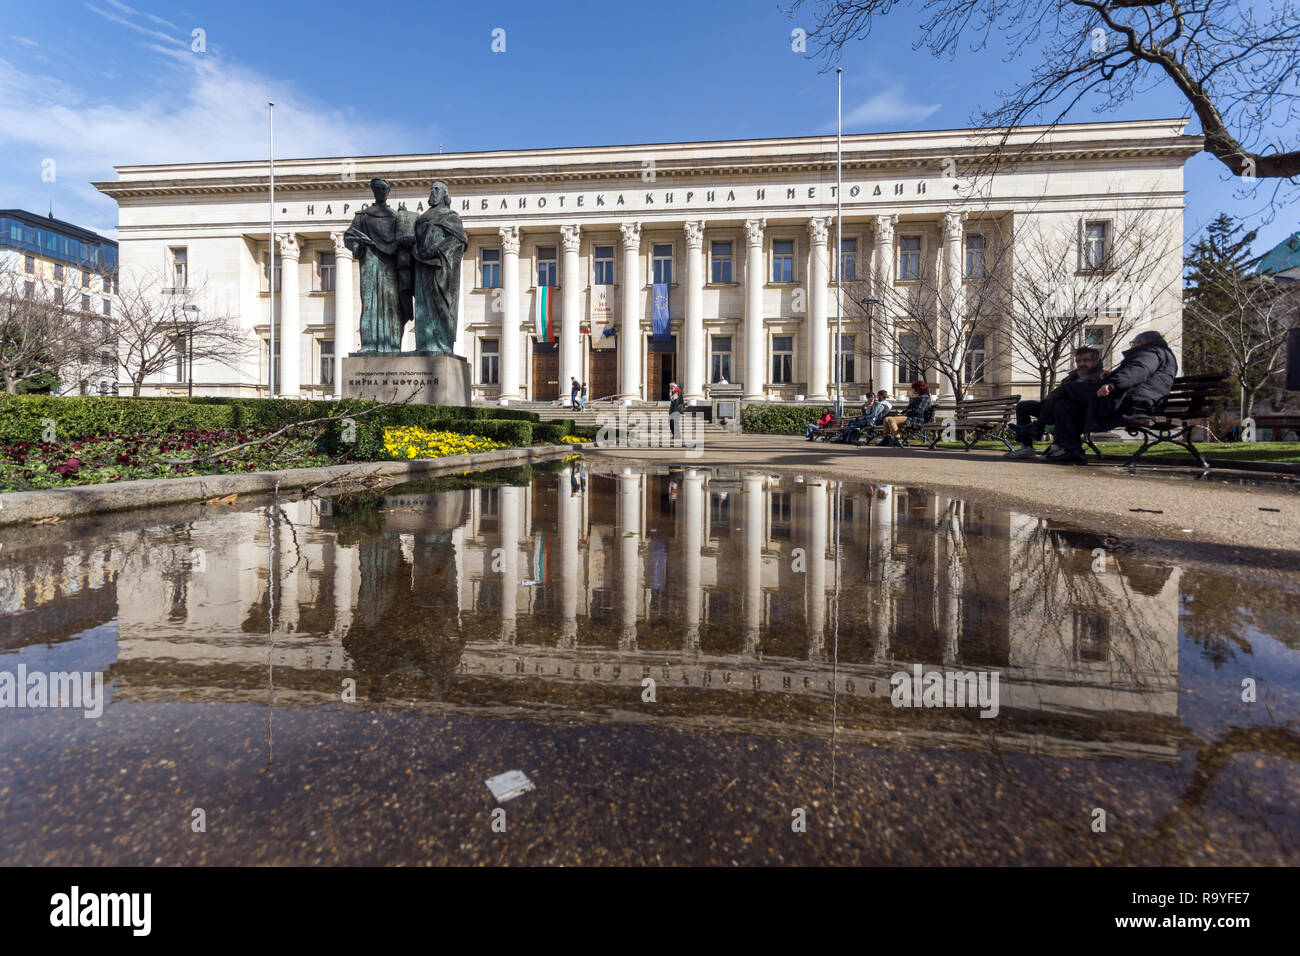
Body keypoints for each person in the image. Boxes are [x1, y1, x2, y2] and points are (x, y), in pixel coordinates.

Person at [1046, 330, 1178, 465]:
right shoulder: (1156, 354)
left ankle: (1041, 425)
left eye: (1133, 343)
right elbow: (1137, 373)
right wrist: (1111, 376)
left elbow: (1137, 371)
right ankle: (1072, 450)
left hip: (1133, 404)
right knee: (1065, 405)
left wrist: (1112, 384)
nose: (1132, 346)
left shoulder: (1150, 353)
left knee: (1069, 390)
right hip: (1135, 402)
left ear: (1142, 342)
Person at [1003, 347, 1104, 460]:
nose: (1081, 364)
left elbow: (1087, 398)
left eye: (1086, 360)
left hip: (1076, 415)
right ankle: (1027, 447)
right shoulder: (1072, 376)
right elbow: (1056, 393)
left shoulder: (1101, 377)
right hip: (1054, 410)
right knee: (1024, 406)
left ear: (1096, 361)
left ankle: (1037, 428)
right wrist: (1047, 404)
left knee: (1061, 402)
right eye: (1078, 361)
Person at [879, 380, 933, 446]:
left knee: (891, 420)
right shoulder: (918, 398)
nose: (912, 390)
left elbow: (918, 411)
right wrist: (901, 413)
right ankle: (886, 439)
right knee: (886, 419)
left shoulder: (925, 398)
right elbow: (910, 409)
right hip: (911, 416)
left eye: (914, 388)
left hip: (917, 419)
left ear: (918, 388)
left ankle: (897, 439)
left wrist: (905, 414)